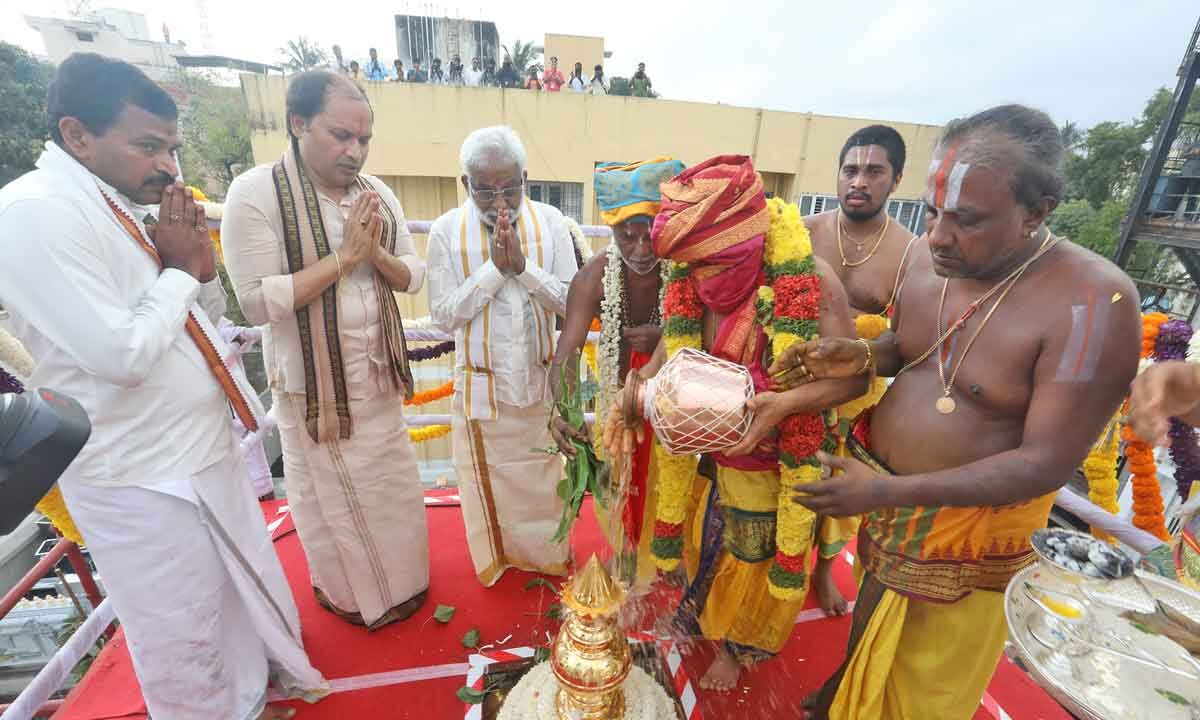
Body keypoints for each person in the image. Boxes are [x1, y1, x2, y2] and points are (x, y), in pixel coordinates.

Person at [775, 105, 1140, 719]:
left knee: (927, 683)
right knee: (876, 612)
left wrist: (888, 493)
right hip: (887, 506)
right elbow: (914, 347)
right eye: (933, 211)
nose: (938, 236)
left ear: (1037, 211)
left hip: (966, 543)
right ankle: (848, 691)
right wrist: (855, 351)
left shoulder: (1091, 305)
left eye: (965, 220)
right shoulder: (928, 256)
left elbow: (1045, 464)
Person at [0, 53, 325, 719]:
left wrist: (196, 271)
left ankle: (251, 697)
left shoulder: (116, 200)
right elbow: (121, 354)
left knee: (235, 594)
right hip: (138, 473)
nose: (168, 166)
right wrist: (178, 268)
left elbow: (193, 319)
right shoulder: (33, 213)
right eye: (148, 145)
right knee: (181, 627)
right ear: (77, 134)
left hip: (198, 450)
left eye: (172, 147)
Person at [604, 155, 865, 692]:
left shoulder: (810, 280)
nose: (702, 279)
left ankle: (741, 648)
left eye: (713, 265)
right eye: (693, 268)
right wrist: (637, 388)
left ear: (748, 241)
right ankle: (700, 614)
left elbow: (853, 382)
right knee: (706, 538)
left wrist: (784, 406)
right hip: (707, 438)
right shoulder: (689, 272)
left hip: (776, 452)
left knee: (754, 551)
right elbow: (673, 357)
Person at [222, 71, 430, 630]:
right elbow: (255, 303)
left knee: (391, 491)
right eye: (340, 136)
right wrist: (342, 260)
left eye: (363, 139)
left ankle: (405, 587)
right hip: (314, 392)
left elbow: (412, 276)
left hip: (377, 376)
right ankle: (353, 598)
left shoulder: (376, 193)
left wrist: (372, 256)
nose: (355, 151)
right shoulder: (256, 193)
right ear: (297, 124)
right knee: (330, 501)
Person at [427, 126, 579, 586]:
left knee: (542, 484)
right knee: (488, 486)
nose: (500, 203)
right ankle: (501, 564)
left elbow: (572, 302)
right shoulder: (445, 231)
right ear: (464, 185)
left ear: (526, 179)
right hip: (482, 392)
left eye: (510, 188)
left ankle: (546, 560)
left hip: (539, 390)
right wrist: (493, 273)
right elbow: (442, 315)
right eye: (486, 190)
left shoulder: (552, 222)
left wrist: (522, 270)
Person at [549, 157, 686, 588]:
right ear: (611, 232)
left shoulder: (683, 270)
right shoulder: (593, 277)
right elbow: (567, 353)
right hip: (618, 393)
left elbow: (707, 330)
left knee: (674, 479)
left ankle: (670, 554)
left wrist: (666, 337)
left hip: (675, 391)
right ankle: (628, 554)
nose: (642, 249)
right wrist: (563, 409)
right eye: (627, 237)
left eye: (650, 235)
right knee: (620, 481)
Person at [803, 124, 915, 615]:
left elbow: (906, 340)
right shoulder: (804, 231)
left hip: (858, 391)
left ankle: (823, 571)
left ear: (896, 179)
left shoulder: (911, 253)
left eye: (874, 171)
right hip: (795, 374)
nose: (859, 181)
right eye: (850, 170)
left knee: (837, 483)